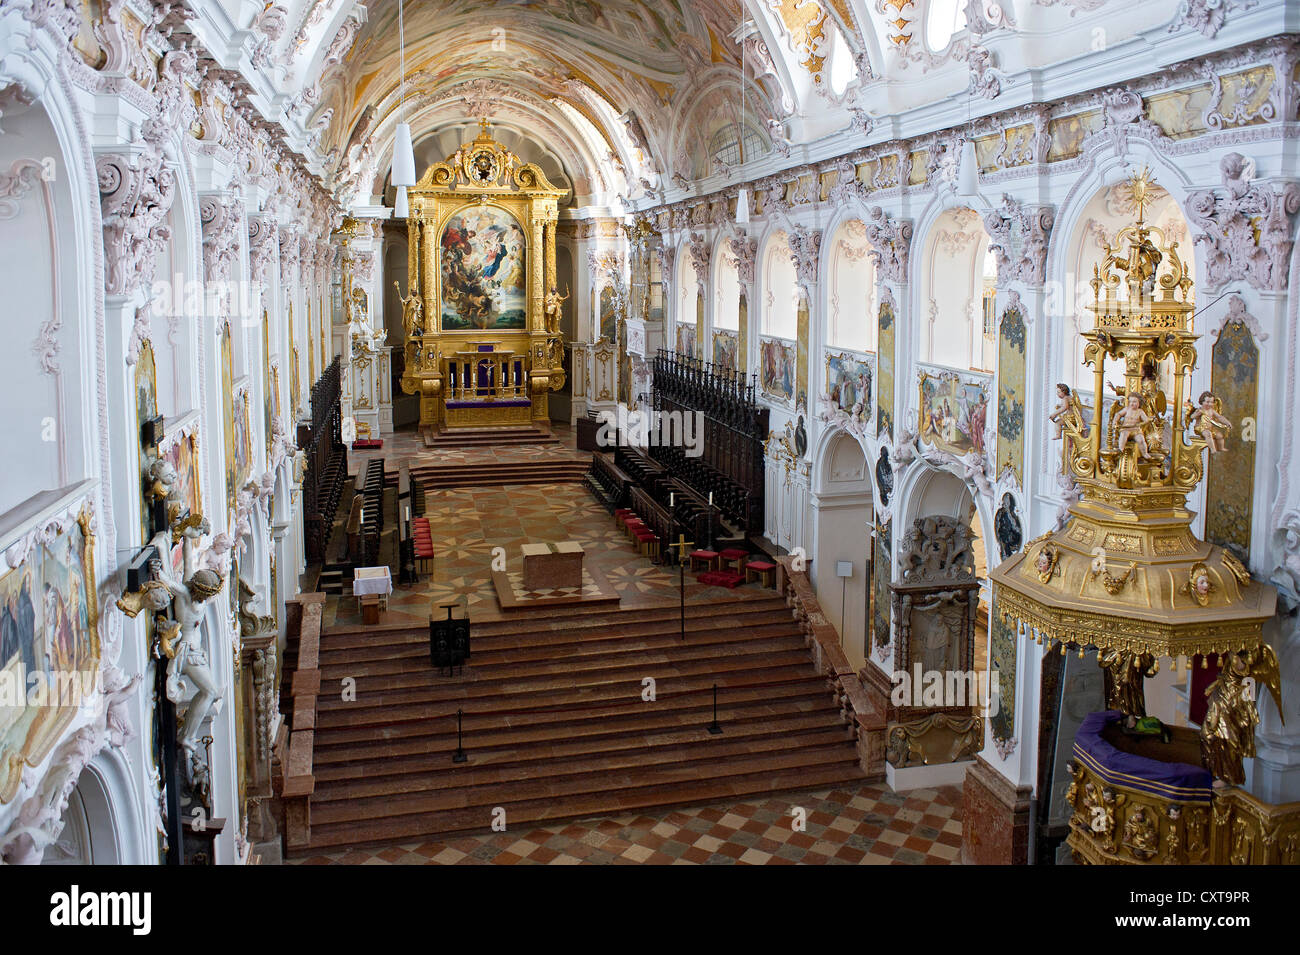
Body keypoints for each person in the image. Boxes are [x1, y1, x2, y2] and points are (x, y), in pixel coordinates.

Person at [1116, 393, 1151, 458]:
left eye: (1134, 402)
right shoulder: (1126, 409)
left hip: (1135, 430)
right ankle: (1120, 450)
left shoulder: (1140, 411)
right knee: (1123, 435)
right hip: (1125, 429)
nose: (1131, 404)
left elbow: (1146, 420)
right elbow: (1119, 414)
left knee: (1141, 440)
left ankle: (1144, 453)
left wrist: (1144, 422)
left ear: (1139, 403)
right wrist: (1115, 422)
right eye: (1130, 401)